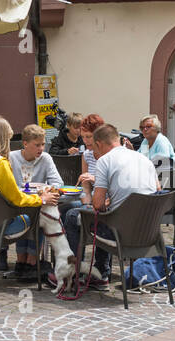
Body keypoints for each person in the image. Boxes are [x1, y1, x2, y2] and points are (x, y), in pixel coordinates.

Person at [62, 120, 160, 289]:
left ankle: (72, 274)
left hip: (119, 233)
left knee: (73, 216)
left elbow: (98, 205)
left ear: (99, 143)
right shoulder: (144, 159)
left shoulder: (105, 161)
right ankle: (100, 272)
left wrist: (94, 194)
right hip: (149, 232)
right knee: (105, 215)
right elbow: (157, 191)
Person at [0, 117, 62, 276]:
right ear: (3, 139)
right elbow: (17, 199)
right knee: (33, 216)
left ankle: (21, 262)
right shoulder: (0, 164)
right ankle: (29, 264)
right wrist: (42, 199)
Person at [4, 124, 65, 279]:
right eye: (37, 145)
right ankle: (23, 261)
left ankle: (29, 262)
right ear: (25, 144)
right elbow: (7, 186)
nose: (41, 149)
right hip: (17, 205)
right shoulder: (11, 158)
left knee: (38, 213)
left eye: (43, 144)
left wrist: (46, 188)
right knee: (32, 215)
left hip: (37, 202)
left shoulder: (45, 159)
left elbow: (58, 183)